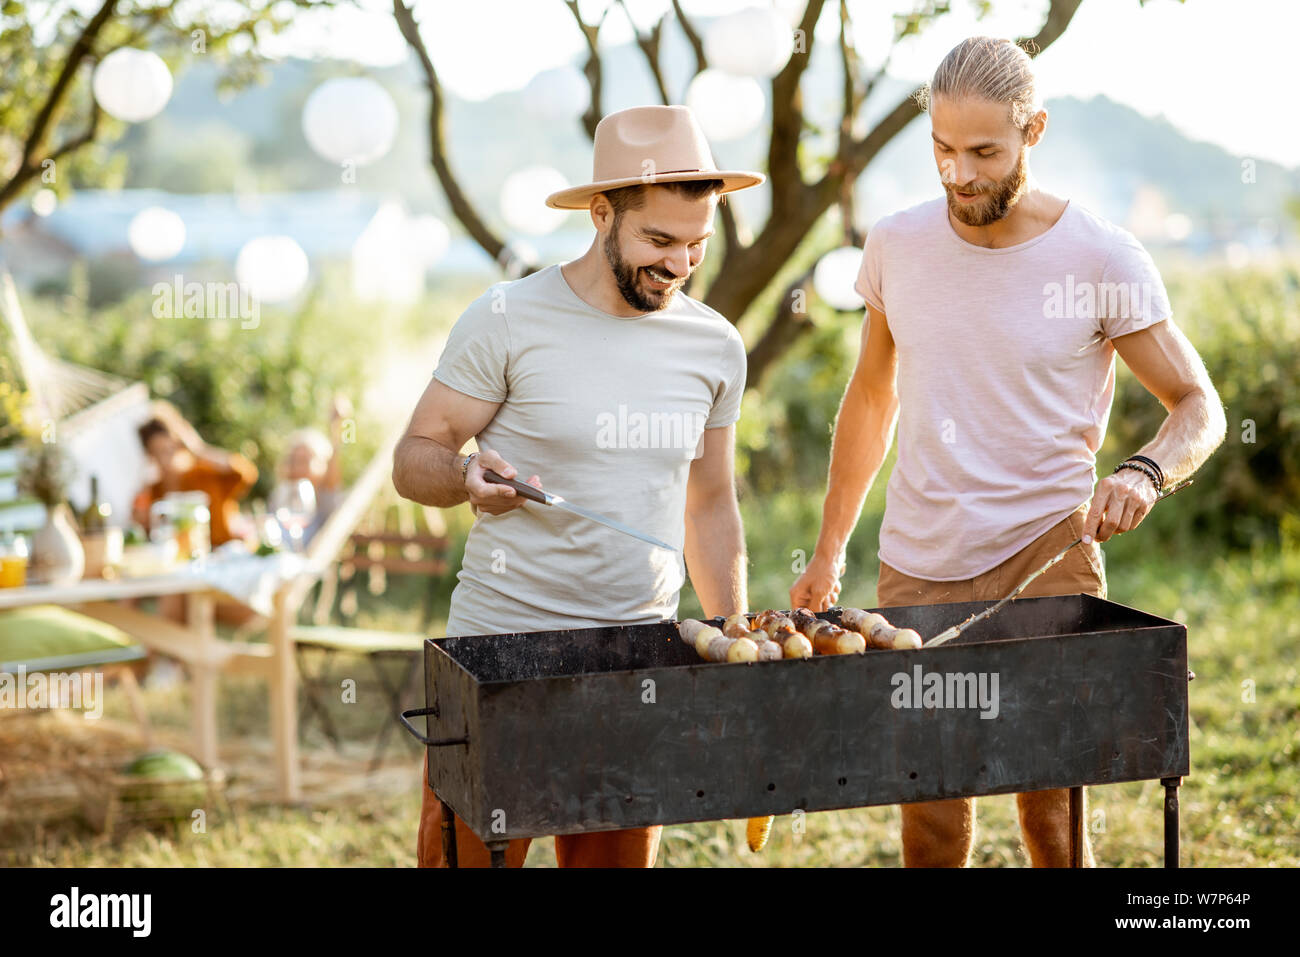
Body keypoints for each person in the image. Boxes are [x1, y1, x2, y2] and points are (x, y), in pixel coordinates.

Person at [789, 37, 1226, 867]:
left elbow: (1199, 405)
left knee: (1054, 818)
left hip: (1047, 554)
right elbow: (872, 398)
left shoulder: (1100, 256)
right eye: (942, 152)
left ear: (1036, 131)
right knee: (930, 815)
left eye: (985, 152)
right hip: (919, 562)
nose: (960, 176)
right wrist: (828, 548)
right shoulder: (898, 244)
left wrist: (1145, 470)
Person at [393, 105, 762, 867]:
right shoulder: (506, 318)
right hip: (497, 662)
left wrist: (734, 638)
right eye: (659, 240)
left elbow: (710, 502)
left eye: (697, 243)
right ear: (602, 213)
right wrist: (466, 476)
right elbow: (413, 456)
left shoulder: (715, 346)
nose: (680, 263)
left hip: (637, 663)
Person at [135, 401, 258, 547]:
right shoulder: (154, 490)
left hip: (225, 552)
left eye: (168, 450)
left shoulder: (204, 474)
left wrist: (199, 449)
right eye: (157, 453)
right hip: (185, 560)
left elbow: (246, 474)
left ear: (179, 446)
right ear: (150, 455)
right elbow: (150, 531)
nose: (165, 460)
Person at [281, 394, 351, 544]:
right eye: (294, 460)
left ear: (323, 463)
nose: (297, 467)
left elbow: (335, 456)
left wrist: (337, 424)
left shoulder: (325, 496)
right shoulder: (282, 495)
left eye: (305, 460)